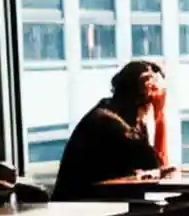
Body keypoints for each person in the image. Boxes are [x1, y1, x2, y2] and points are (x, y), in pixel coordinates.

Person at [52, 60, 168, 201]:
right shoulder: (111, 125)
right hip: (84, 213)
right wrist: (160, 116)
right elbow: (158, 169)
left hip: (95, 207)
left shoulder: (112, 114)